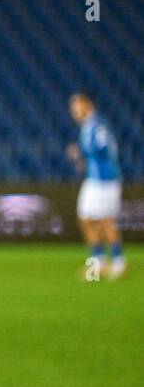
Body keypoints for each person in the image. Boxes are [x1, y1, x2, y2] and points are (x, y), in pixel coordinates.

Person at [66, 93, 126, 280]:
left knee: (103, 220)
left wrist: (80, 151)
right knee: (89, 219)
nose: (74, 112)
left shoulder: (95, 125)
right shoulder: (90, 125)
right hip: (98, 179)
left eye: (76, 106)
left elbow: (101, 147)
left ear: (87, 104)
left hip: (103, 181)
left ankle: (116, 262)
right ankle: (101, 262)